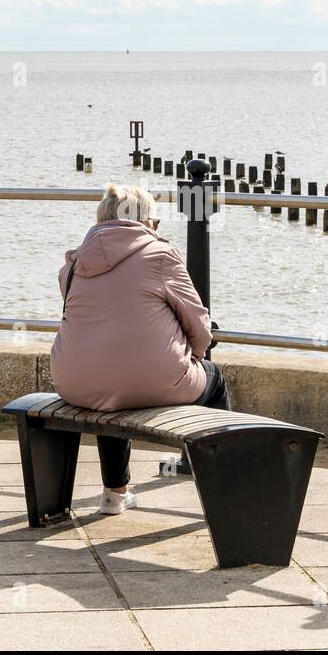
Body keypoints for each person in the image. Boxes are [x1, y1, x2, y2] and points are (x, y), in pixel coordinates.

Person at [49, 182, 231, 514]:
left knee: (109, 386)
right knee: (215, 379)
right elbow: (199, 324)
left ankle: (114, 495)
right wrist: (196, 356)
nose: (156, 229)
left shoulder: (73, 265)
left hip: (75, 383)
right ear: (144, 222)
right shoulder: (161, 255)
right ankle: (225, 485)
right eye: (156, 223)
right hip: (155, 380)